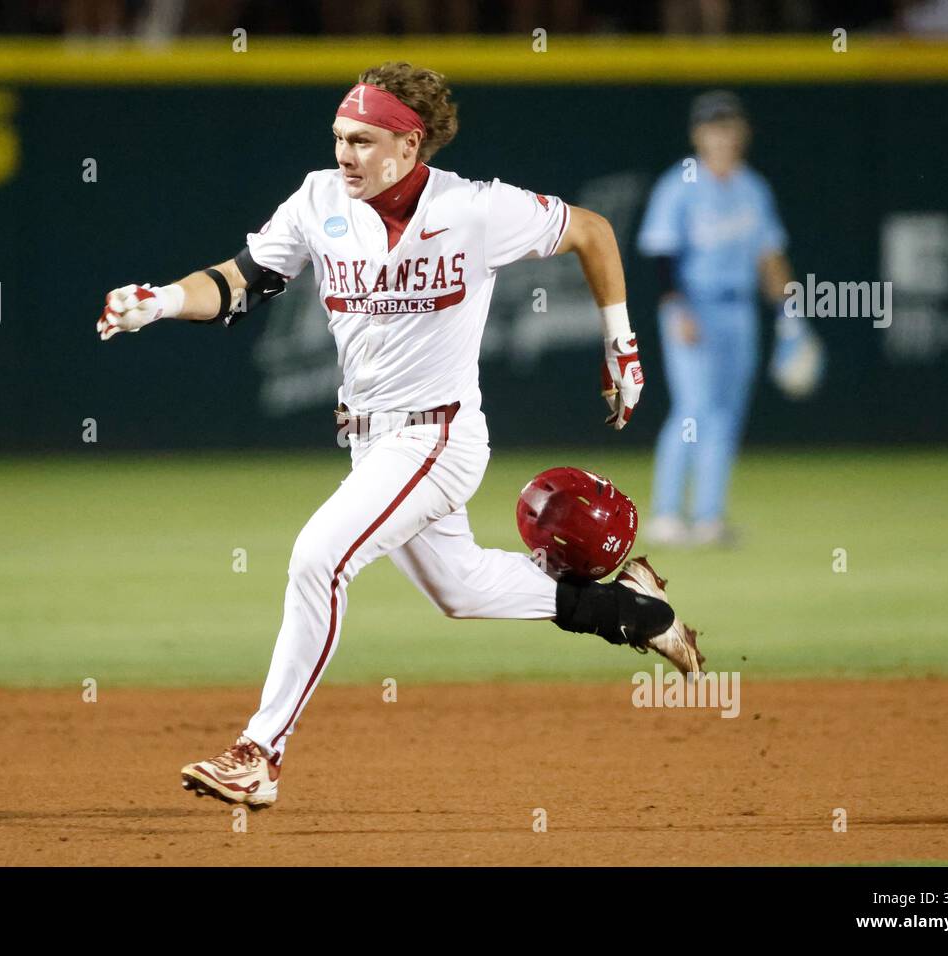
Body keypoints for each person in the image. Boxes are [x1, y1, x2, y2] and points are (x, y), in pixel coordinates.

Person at [96, 62, 702, 809]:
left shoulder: (476, 210)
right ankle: (635, 612)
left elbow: (593, 230)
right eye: (339, 137)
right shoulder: (319, 200)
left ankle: (260, 753)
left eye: (363, 140)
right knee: (462, 587)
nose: (345, 153)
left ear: (410, 147)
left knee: (318, 559)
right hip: (370, 440)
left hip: (438, 438)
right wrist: (159, 302)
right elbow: (241, 279)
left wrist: (622, 343)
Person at [636, 90, 797, 547]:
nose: (722, 136)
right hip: (693, 307)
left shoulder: (752, 187)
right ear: (698, 135)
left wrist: (791, 316)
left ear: (742, 133)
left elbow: (770, 258)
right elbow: (661, 253)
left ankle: (709, 517)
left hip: (739, 310)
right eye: (713, 128)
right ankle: (667, 513)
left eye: (729, 127)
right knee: (693, 409)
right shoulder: (680, 183)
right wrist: (674, 307)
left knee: (727, 415)